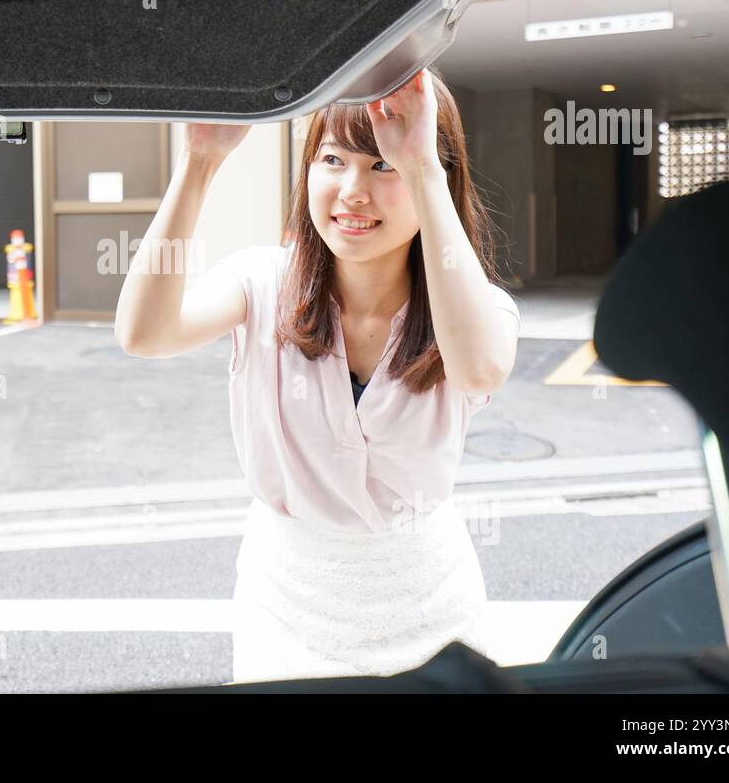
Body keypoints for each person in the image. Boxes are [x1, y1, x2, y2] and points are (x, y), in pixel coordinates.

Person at [114, 67, 520, 684]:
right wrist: (197, 164)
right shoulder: (260, 283)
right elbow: (144, 333)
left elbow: (479, 367)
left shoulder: (475, 309)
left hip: (430, 604)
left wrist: (420, 165)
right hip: (288, 604)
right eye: (333, 160)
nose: (352, 191)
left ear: (432, 175)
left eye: (382, 165)